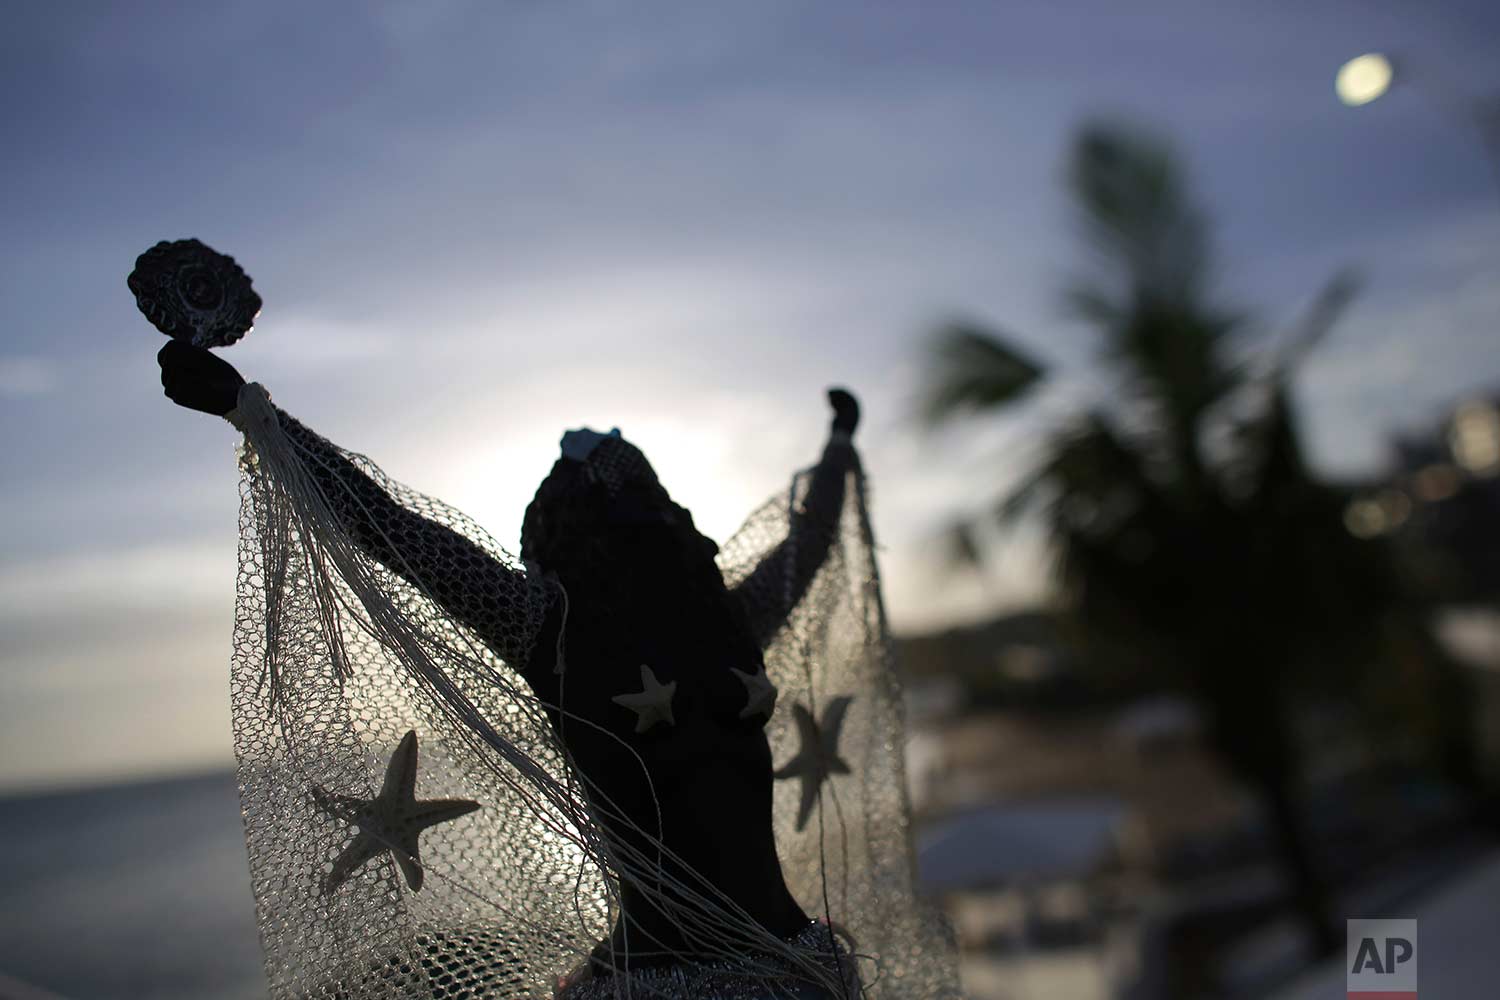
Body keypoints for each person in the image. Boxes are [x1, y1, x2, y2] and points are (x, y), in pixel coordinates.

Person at [157, 340, 864, 998]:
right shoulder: (549, 627)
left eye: (651, 500)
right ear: (571, 530)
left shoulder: (731, 618)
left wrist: (836, 447)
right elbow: (392, 529)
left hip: (792, 960)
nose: (645, 516)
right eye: (615, 502)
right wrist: (251, 413)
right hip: (654, 977)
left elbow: (812, 538)